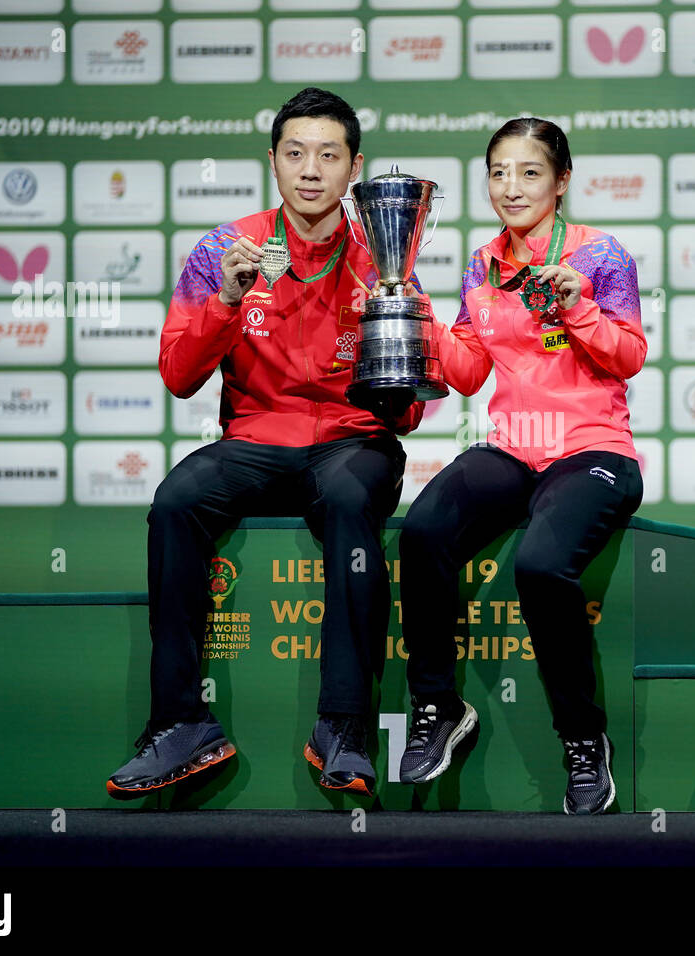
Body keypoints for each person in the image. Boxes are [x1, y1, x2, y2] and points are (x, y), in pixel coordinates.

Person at [106, 87, 425, 801]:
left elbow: (405, 417)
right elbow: (178, 375)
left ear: (354, 168)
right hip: (255, 439)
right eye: (295, 153)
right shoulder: (225, 249)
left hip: (350, 442)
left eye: (329, 155)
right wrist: (223, 300)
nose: (311, 169)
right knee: (175, 501)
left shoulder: (385, 252)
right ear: (272, 162)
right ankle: (182, 724)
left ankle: (343, 725)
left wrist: (389, 350)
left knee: (349, 497)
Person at [397, 118, 646, 814]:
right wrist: (424, 325)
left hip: (592, 448)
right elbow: (471, 372)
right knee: (423, 530)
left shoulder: (601, 256)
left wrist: (581, 308)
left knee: (539, 566)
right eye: (499, 172)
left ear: (562, 181)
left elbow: (627, 356)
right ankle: (439, 707)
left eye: (530, 172)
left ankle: (583, 740)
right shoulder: (483, 262)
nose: (512, 187)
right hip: (513, 447)